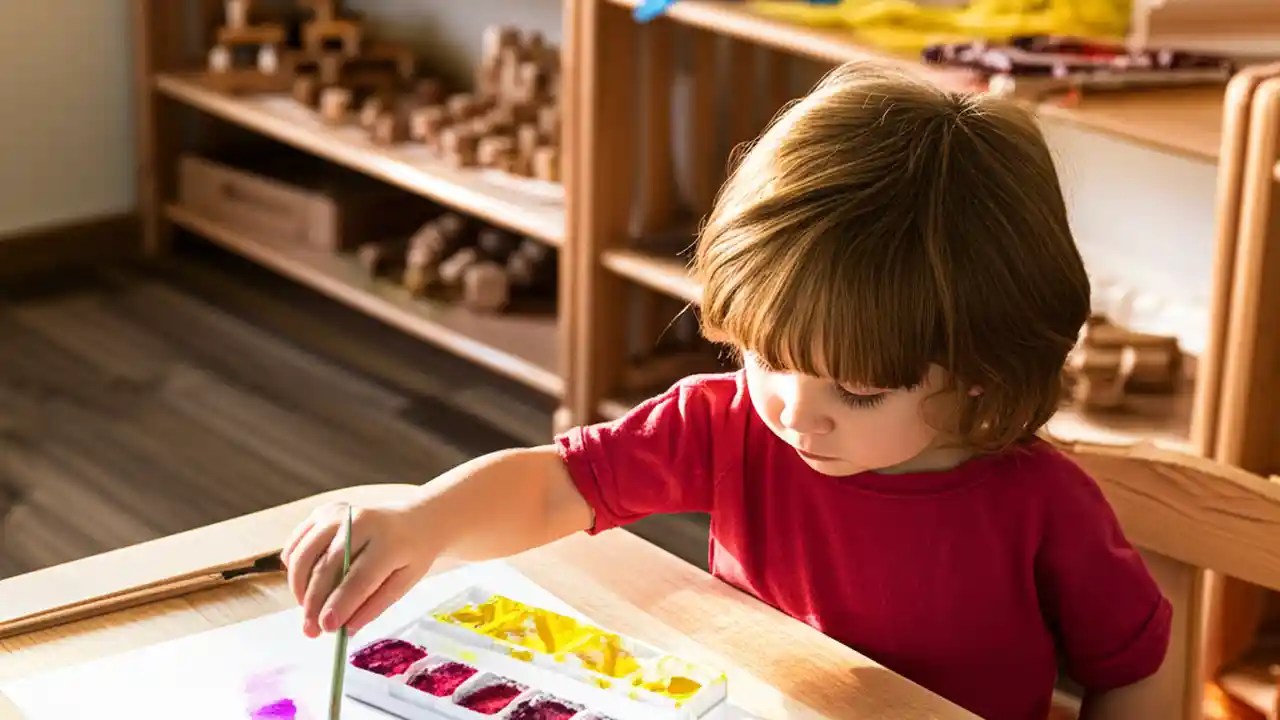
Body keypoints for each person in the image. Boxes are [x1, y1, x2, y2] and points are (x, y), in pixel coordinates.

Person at [282, 61, 1171, 720]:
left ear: (980, 371)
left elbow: (1135, 668)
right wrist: (423, 522)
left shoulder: (1041, 508)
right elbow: (555, 483)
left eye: (856, 393)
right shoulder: (729, 426)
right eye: (764, 354)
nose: (792, 408)